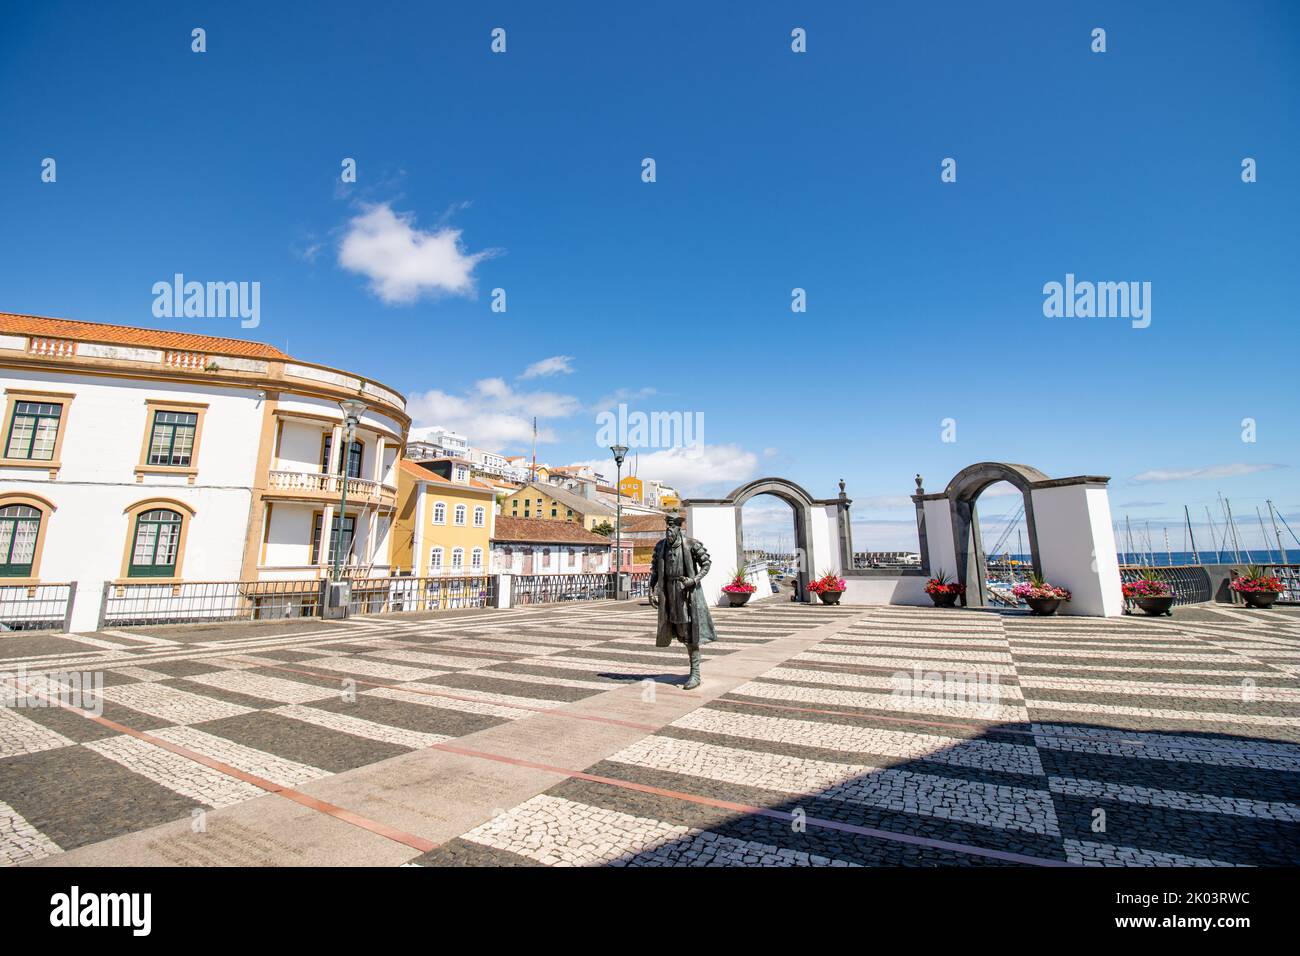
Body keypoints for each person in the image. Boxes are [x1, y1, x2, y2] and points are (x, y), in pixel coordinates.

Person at [648, 513, 717, 689]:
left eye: (672, 527)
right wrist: (651, 589)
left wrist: (693, 580)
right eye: (667, 528)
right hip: (668, 593)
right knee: (676, 628)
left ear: (679, 528)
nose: (668, 531)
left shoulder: (691, 544)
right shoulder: (661, 546)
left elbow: (706, 564)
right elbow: (655, 569)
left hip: (686, 593)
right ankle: (693, 671)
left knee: (690, 632)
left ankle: (695, 673)